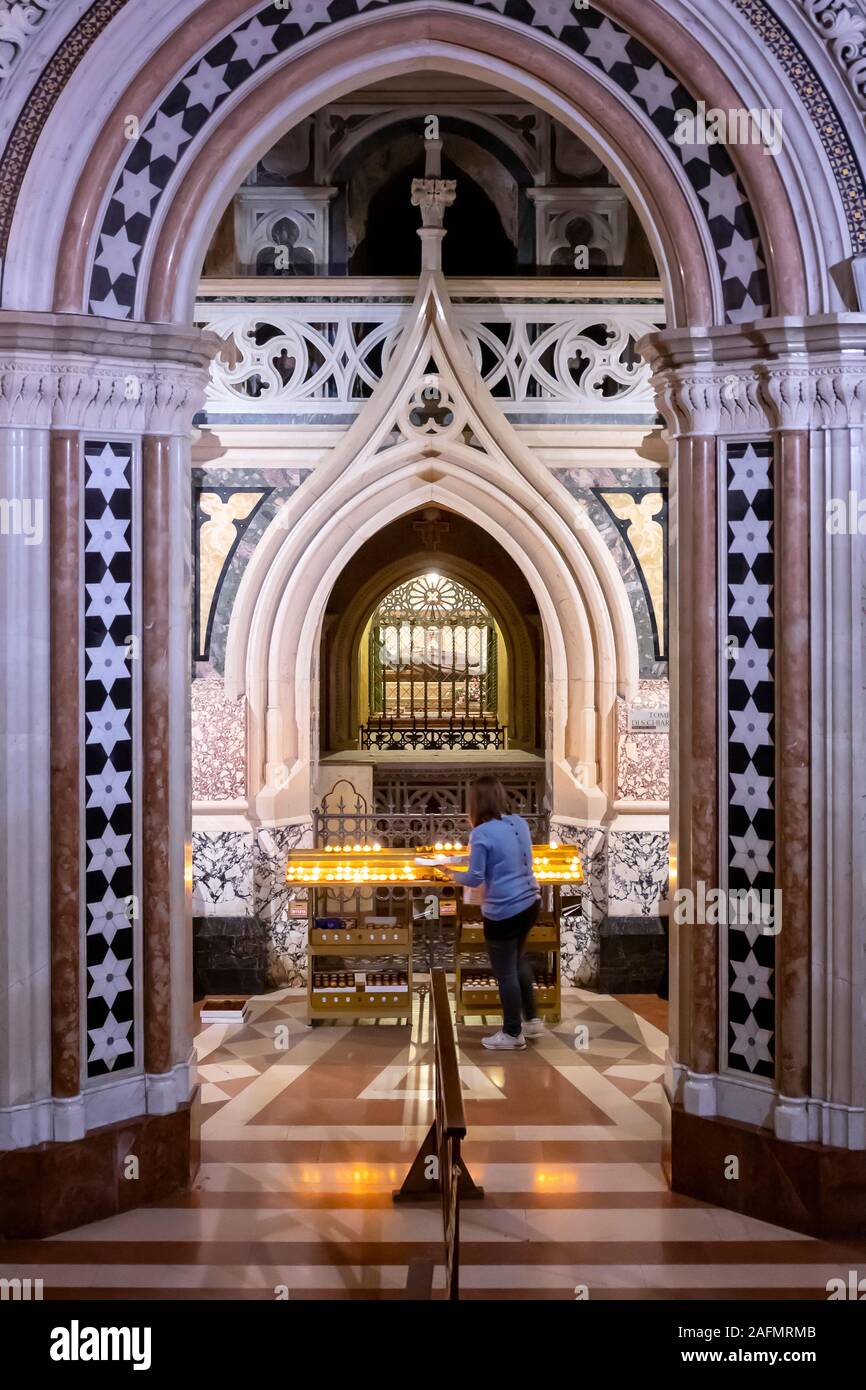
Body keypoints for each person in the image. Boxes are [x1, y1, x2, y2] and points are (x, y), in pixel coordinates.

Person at [445, 775, 544, 1050]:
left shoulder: (482, 832)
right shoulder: (519, 823)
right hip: (530, 902)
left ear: (476, 802)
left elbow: (475, 878)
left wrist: (448, 873)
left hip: (504, 910)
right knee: (517, 960)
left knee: (505, 974)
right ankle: (532, 1019)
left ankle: (512, 1034)